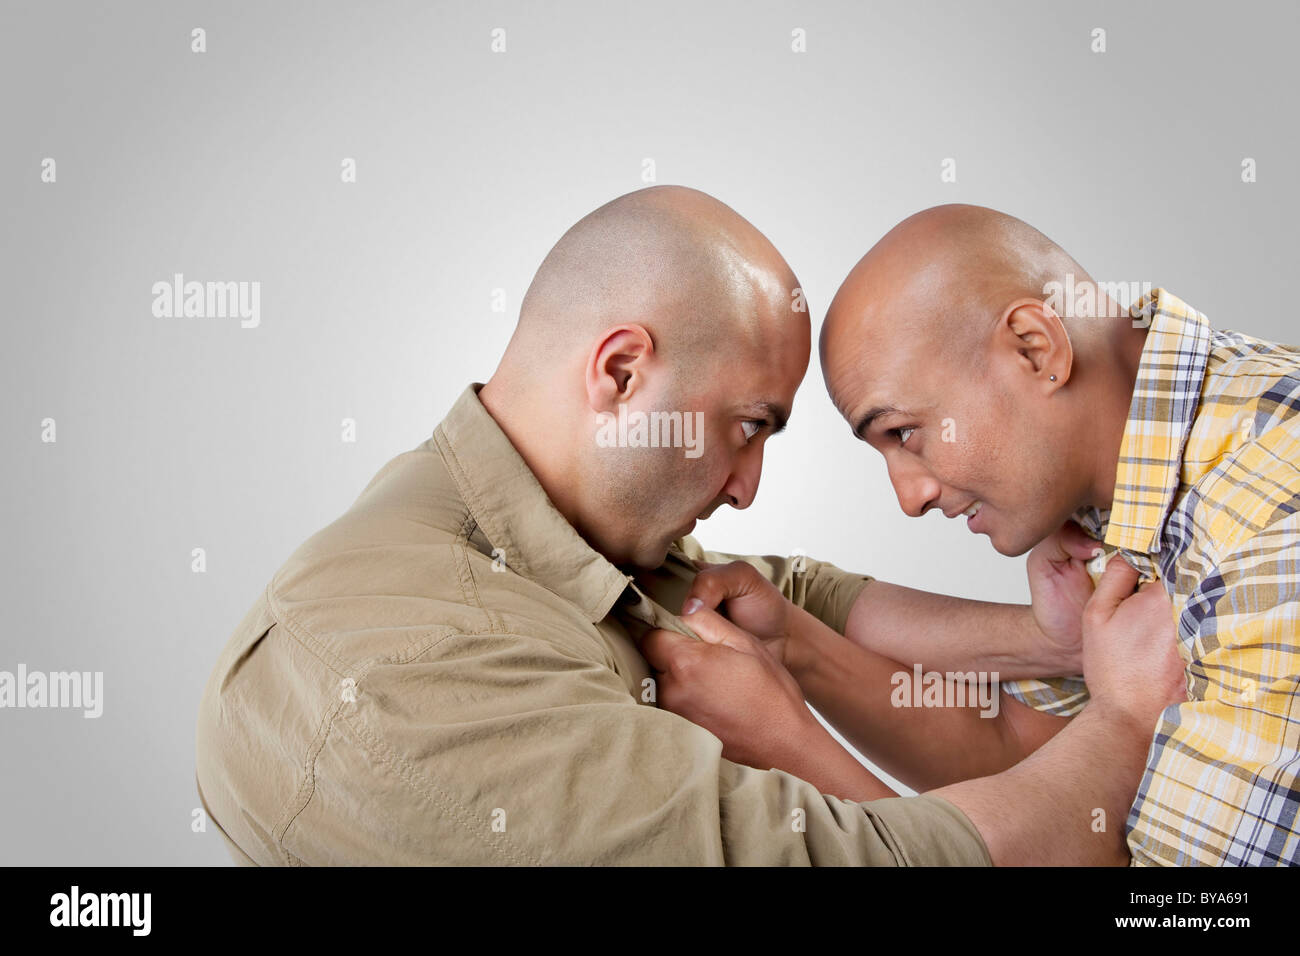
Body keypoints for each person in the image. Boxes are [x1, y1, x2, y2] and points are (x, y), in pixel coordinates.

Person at [195, 187, 1182, 866]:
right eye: (747, 426)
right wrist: (1123, 718)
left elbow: (776, 598)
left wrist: (1045, 639)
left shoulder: (515, 517)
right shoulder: (419, 668)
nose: (747, 485)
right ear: (622, 374)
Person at [802, 203, 1298, 865]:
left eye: (904, 434)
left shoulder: (1271, 516)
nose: (909, 496)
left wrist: (784, 743)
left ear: (1037, 351)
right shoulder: (1126, 473)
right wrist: (789, 650)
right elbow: (1031, 755)